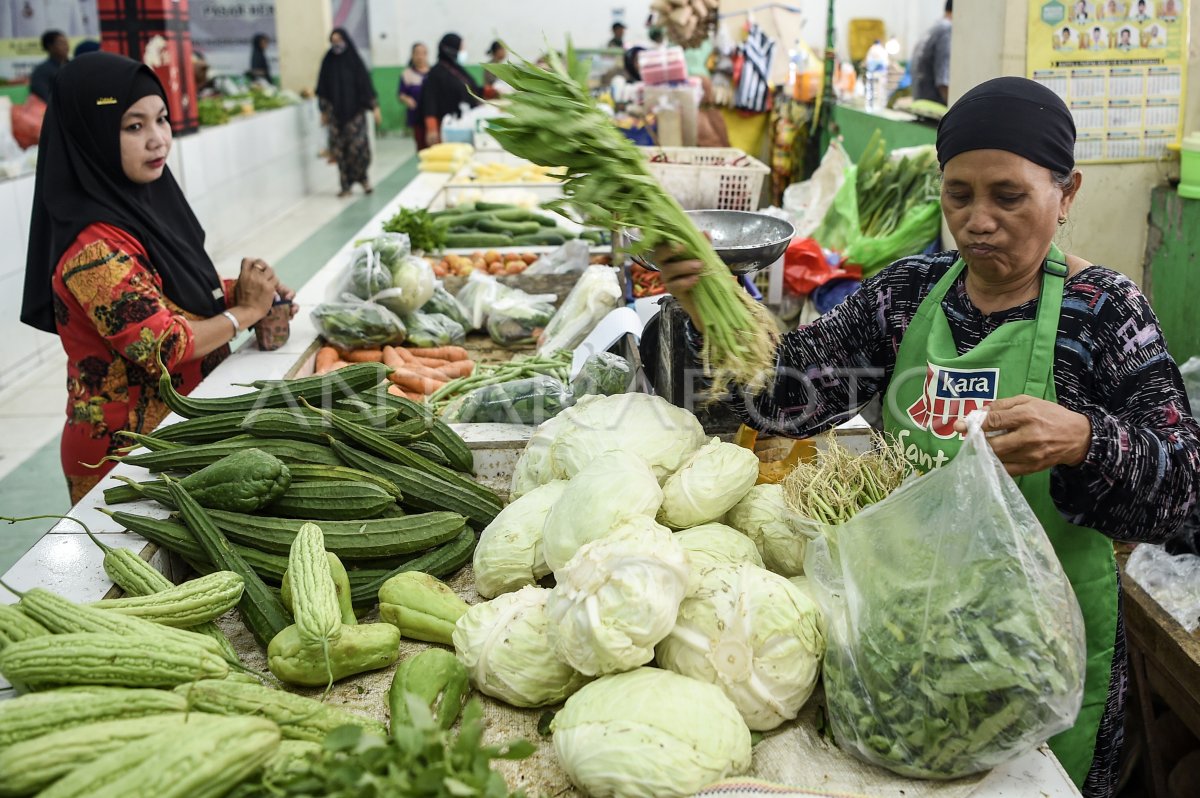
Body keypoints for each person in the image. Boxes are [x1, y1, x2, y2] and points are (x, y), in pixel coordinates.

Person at [660, 77, 1200, 798]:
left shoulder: (1105, 314)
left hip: (1041, 653)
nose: (978, 221)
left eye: (1008, 196)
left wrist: (1086, 439)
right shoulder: (907, 293)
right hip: (907, 640)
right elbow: (788, 397)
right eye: (958, 195)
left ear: (1066, 193)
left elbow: (1185, 487)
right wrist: (709, 304)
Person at [20, 53, 296, 503]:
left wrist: (246, 291)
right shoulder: (92, 249)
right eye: (134, 126)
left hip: (177, 433)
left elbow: (159, 293)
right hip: (125, 455)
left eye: (162, 120)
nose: (157, 139)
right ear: (91, 135)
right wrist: (246, 311)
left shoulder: (139, 205)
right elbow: (165, 345)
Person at [316, 28, 380, 198]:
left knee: (358, 148)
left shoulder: (354, 60)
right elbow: (322, 88)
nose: (336, 43)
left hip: (356, 113)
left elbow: (366, 85)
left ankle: (363, 179)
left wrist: (375, 107)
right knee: (340, 150)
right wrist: (323, 111)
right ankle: (345, 185)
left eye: (339, 39)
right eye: (333, 40)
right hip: (335, 115)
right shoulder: (328, 61)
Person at [417, 33, 481, 148]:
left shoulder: (457, 69)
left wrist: (491, 92)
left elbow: (472, 88)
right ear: (451, 49)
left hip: (462, 123)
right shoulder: (436, 72)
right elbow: (429, 101)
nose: (463, 51)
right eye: (461, 48)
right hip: (446, 126)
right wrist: (431, 128)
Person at [910, 0, 952, 103]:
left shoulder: (933, 28)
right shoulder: (947, 30)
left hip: (919, 100)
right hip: (934, 103)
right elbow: (943, 80)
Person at [398, 42, 431, 150]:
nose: (420, 56)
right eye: (417, 53)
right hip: (417, 116)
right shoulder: (406, 74)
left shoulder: (434, 73)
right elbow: (401, 94)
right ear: (412, 55)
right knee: (421, 144)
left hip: (432, 114)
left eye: (423, 53)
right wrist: (408, 100)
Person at [29, 30, 69, 103]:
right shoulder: (41, 71)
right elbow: (45, 96)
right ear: (50, 47)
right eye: (61, 43)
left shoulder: (73, 66)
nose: (66, 46)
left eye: (66, 42)